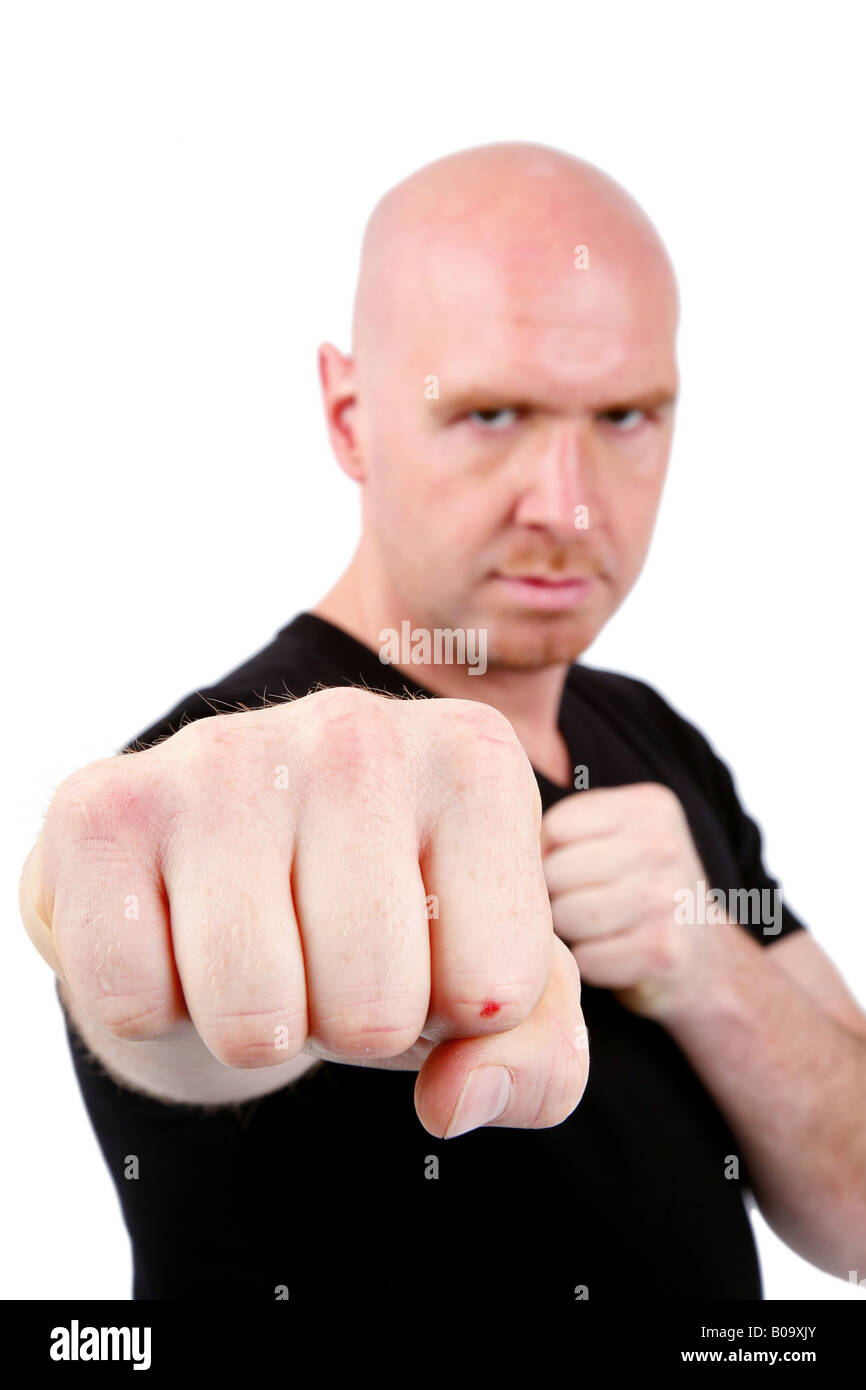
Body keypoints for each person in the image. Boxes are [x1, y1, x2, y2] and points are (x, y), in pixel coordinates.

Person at [19, 141, 866, 1307]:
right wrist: (127, 888)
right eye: (491, 411)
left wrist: (701, 962)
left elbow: (856, 1215)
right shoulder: (226, 763)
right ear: (351, 415)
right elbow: (155, 1008)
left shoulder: (654, 739)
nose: (566, 507)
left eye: (623, 414)